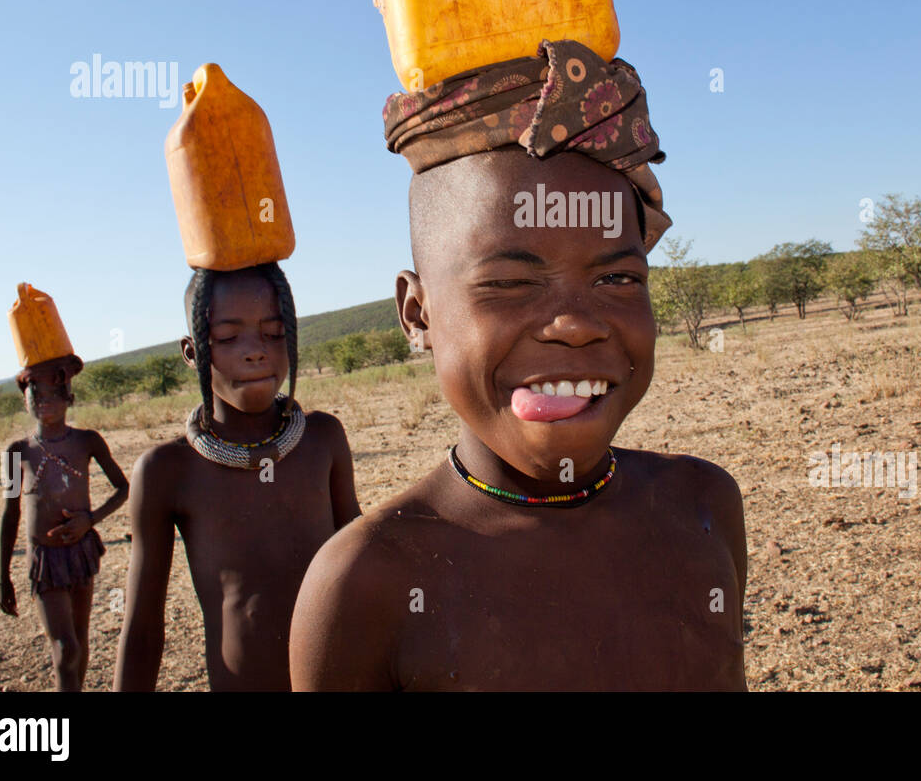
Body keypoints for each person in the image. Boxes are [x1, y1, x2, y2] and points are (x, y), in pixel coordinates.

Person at [291, 40, 747, 690]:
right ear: (417, 315)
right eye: (509, 284)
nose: (576, 323)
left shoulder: (704, 506)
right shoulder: (366, 581)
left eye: (618, 277)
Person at [114, 262, 360, 691]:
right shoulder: (167, 472)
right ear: (192, 353)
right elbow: (143, 627)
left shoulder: (323, 439)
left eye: (274, 332)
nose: (256, 351)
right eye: (228, 338)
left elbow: (362, 562)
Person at [0, 354, 128, 691]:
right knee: (65, 647)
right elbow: (11, 514)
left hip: (81, 553)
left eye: (54, 394)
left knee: (79, 644)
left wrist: (90, 520)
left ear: (69, 397)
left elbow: (123, 488)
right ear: (25, 400)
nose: (45, 402)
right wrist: (3, 577)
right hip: (45, 559)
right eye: (36, 395)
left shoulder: (87, 441)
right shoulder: (19, 452)